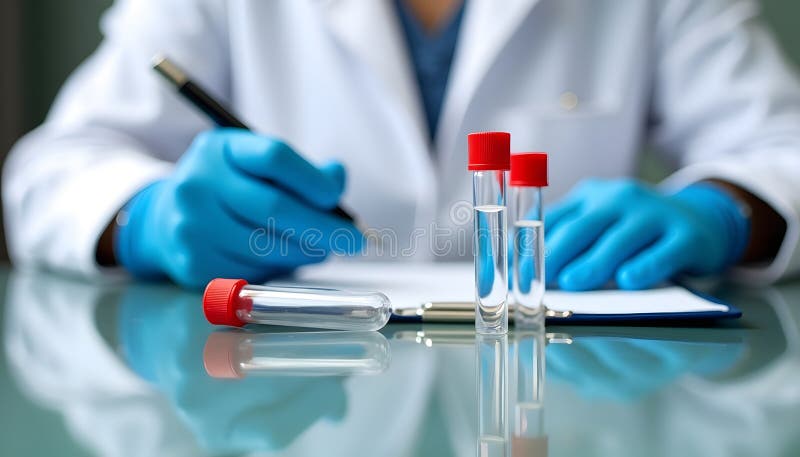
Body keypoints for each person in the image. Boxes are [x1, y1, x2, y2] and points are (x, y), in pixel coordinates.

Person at [4, 0, 799, 289]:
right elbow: (49, 172)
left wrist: (725, 210)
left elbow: (781, 144)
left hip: (562, 394)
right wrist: (146, 216)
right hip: (301, 390)